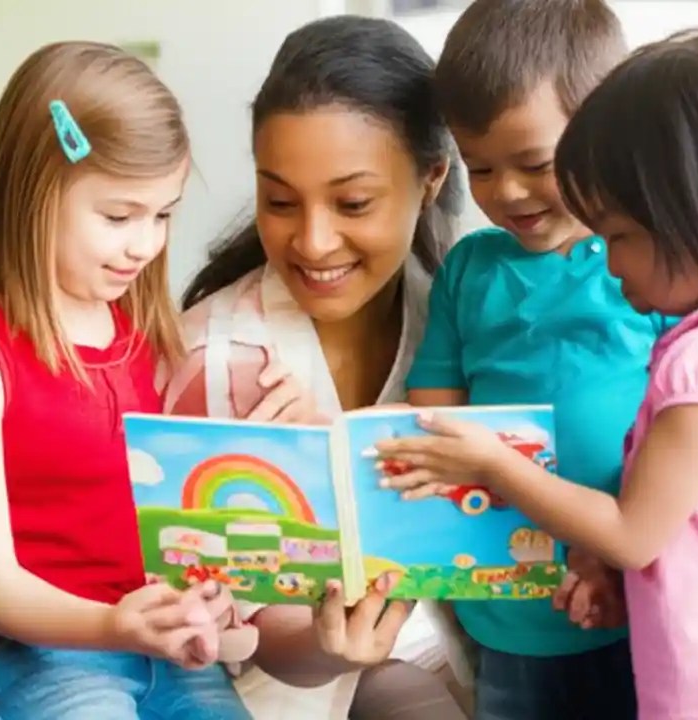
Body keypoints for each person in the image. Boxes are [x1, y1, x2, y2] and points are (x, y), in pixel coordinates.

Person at [380, 29, 698, 720]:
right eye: (480, 168)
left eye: (621, 238)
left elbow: (636, 530)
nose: (609, 264)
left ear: (694, 216)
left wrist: (494, 463)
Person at [0, 42, 250, 719]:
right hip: (18, 649)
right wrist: (115, 624)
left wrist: (196, 596)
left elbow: (156, 524)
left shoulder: (140, 329)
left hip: (149, 649)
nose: (145, 244)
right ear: (33, 193)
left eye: (163, 213)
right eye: (119, 216)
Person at [169, 16, 469, 720]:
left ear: (433, 177)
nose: (312, 240)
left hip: (448, 662)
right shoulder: (217, 359)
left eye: (353, 202)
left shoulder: (458, 322)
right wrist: (333, 644)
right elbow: (253, 634)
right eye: (279, 200)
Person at [404, 1, 668, 717]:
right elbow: (430, 417)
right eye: (479, 167)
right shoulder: (469, 270)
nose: (506, 193)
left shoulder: (656, 264)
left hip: (646, 604)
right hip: (510, 613)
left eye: (535, 164)